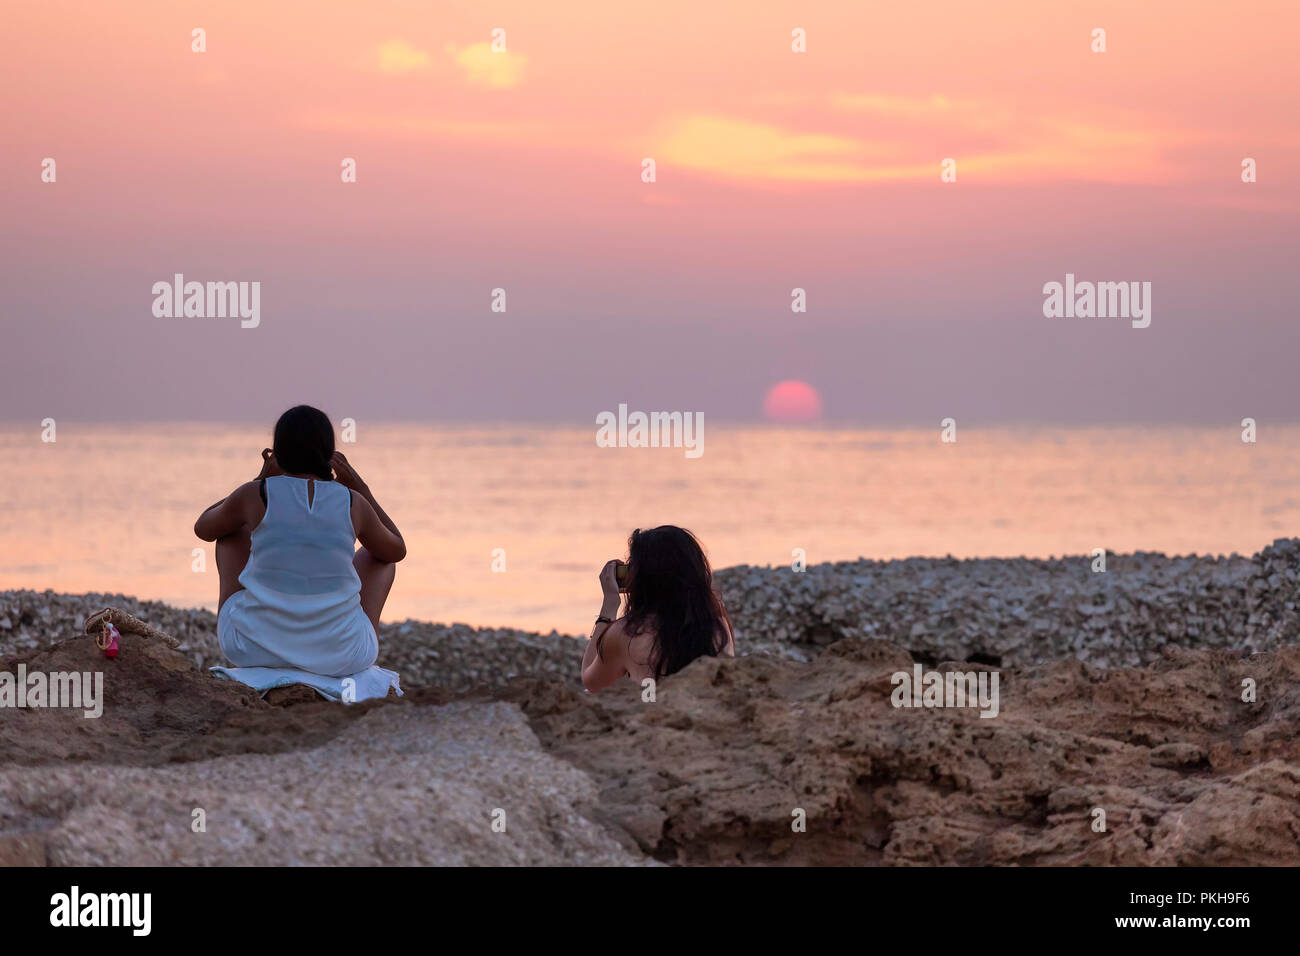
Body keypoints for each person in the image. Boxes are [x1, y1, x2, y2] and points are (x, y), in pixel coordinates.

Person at [194, 405, 406, 679]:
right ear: (329, 453)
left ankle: (249, 625)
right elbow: (397, 549)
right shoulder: (353, 501)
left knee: (228, 533)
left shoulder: (256, 493)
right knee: (380, 558)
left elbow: (204, 527)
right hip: (342, 656)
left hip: (251, 649)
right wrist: (361, 489)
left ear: (278, 452)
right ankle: (349, 635)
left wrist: (260, 478)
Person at [582, 526, 735, 692]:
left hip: (653, 707)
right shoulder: (717, 624)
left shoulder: (626, 633)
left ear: (640, 577)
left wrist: (609, 604)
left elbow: (592, 683)